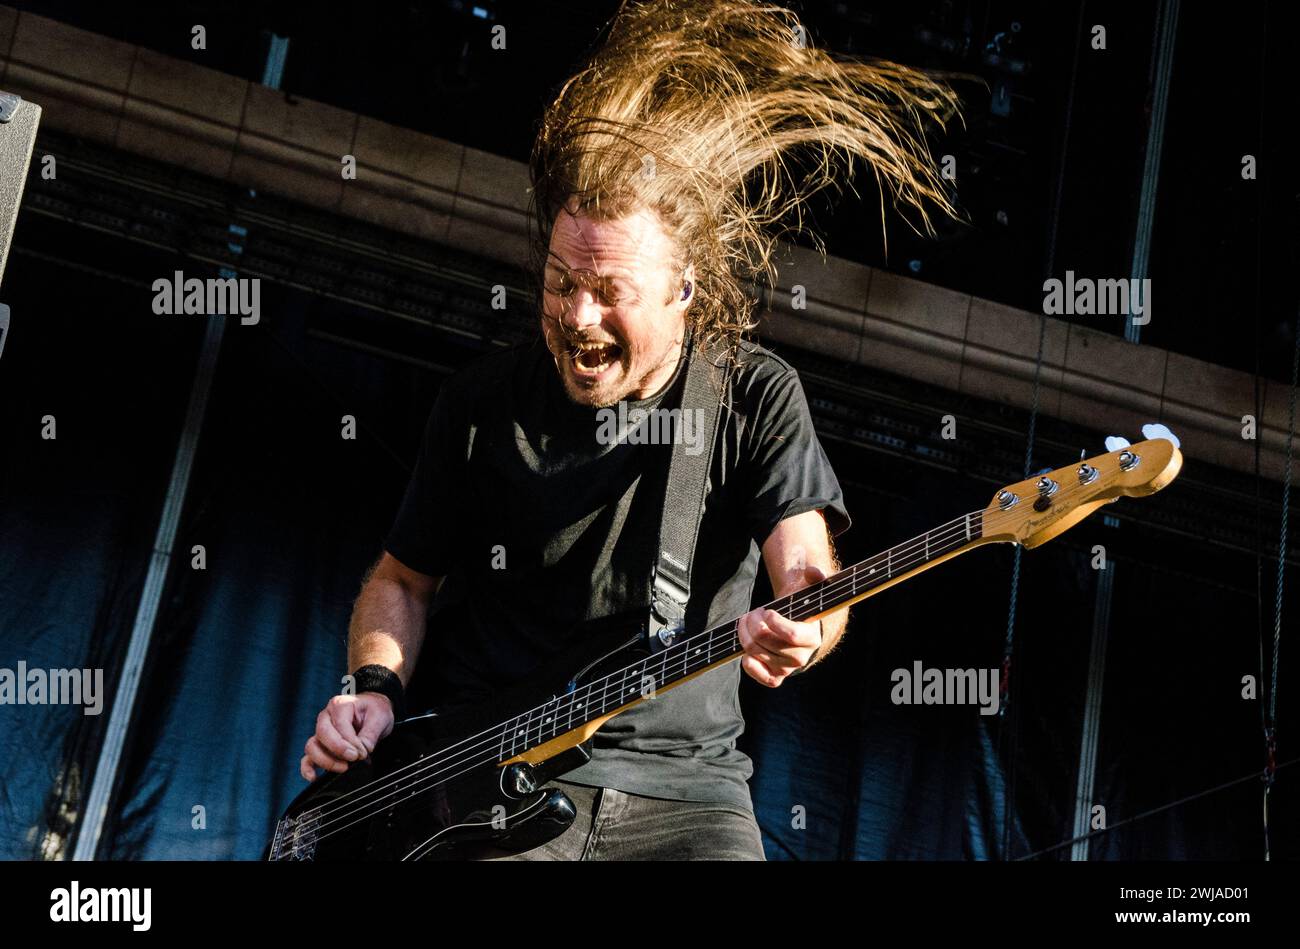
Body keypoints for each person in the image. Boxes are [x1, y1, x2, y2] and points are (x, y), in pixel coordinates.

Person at [299, 0, 961, 860]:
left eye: (612, 290)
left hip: (683, 790)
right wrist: (375, 687)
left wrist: (805, 623)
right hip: (480, 776)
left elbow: (804, 572)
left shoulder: (753, 397)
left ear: (684, 286)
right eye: (561, 280)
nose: (578, 316)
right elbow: (403, 581)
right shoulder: (480, 402)